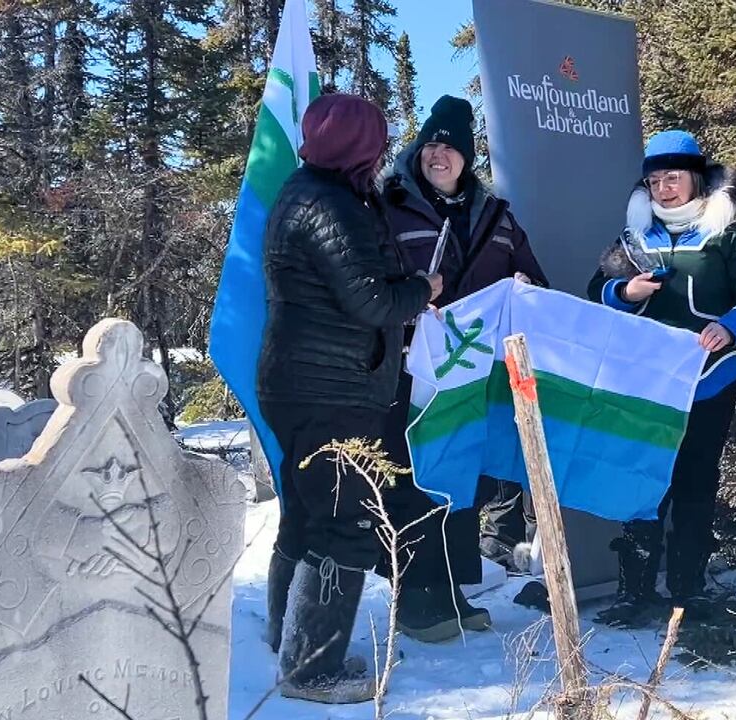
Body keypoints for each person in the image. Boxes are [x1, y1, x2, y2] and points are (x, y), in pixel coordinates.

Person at [257, 93, 441, 704]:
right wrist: (424, 286)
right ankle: (311, 668)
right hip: (329, 389)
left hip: (308, 381)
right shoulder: (327, 202)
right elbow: (370, 301)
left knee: (308, 512)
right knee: (344, 523)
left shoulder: (312, 193)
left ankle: (289, 635)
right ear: (359, 145)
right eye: (377, 141)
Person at [377, 95, 550, 643]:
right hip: (409, 370)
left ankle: (451, 591)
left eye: (449, 146)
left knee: (460, 486)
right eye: (430, 143)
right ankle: (414, 600)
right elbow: (371, 282)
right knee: (414, 481)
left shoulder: (497, 215)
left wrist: (525, 289)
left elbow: (534, 281)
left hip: (473, 376)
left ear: (466, 157)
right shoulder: (391, 203)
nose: (437, 154)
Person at [587, 130, 736, 628]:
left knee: (695, 483)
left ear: (696, 178)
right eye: (654, 180)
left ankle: (688, 590)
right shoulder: (634, 238)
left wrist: (730, 325)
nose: (664, 189)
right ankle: (634, 592)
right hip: (645, 382)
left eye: (673, 178)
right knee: (643, 481)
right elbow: (595, 291)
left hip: (710, 377)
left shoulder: (728, 235)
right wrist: (624, 290)